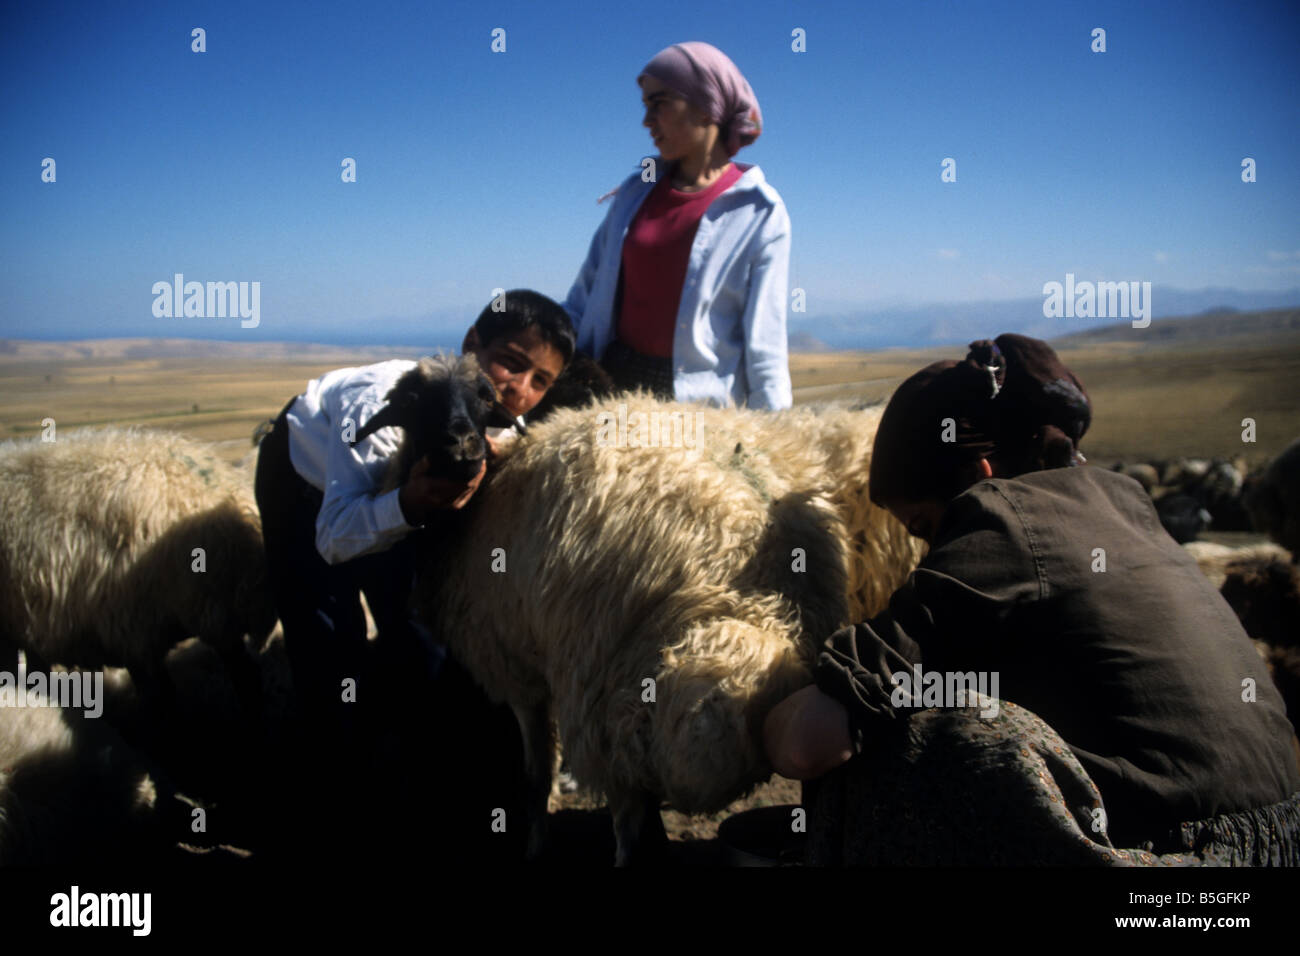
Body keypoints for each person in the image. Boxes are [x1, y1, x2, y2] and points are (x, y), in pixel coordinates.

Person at [763, 334, 1300, 864]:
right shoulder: (1124, 506)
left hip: (1177, 873)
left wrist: (759, 711)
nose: (930, 550)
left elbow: (809, 744)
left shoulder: (1000, 520)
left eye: (924, 527)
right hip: (1280, 844)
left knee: (911, 742)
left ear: (979, 477)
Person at [254, 290, 572, 730]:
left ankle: (414, 748)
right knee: (329, 634)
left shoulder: (497, 413)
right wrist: (406, 505)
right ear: (472, 341)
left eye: (541, 381)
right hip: (304, 485)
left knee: (416, 621)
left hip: (400, 501)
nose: (521, 387)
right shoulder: (379, 411)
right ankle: (336, 762)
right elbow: (334, 533)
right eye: (512, 362)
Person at [563, 41, 792, 410]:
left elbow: (766, 344)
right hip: (610, 387)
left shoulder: (759, 211)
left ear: (706, 106)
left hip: (701, 406)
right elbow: (582, 298)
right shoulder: (633, 195)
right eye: (645, 106)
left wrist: (778, 444)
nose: (646, 121)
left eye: (659, 103)